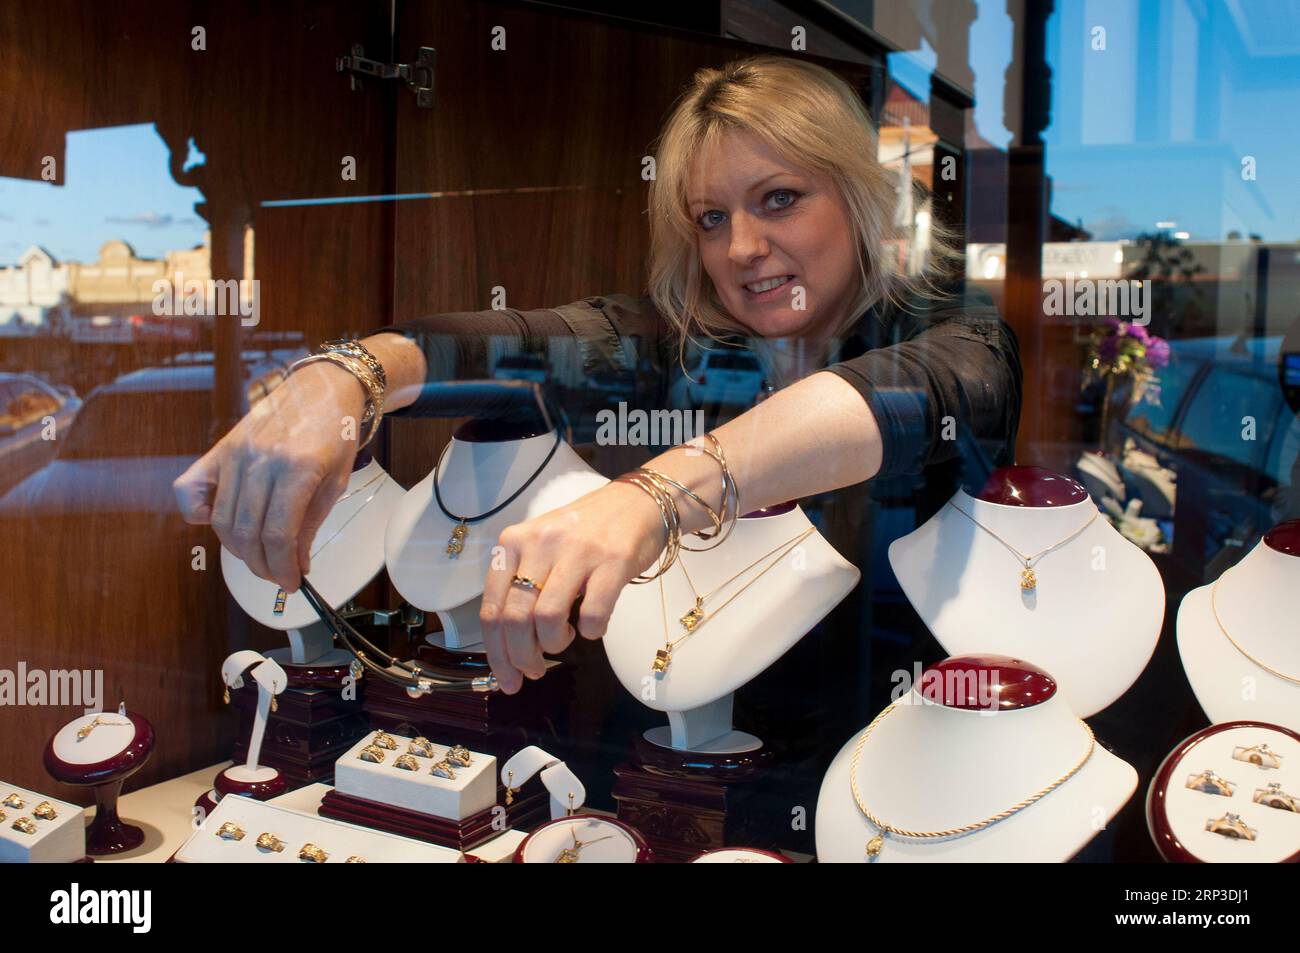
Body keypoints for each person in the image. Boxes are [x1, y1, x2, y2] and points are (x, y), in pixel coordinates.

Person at [174, 55, 1022, 696]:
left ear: (860, 198)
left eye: (779, 198)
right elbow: (518, 343)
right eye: (711, 218)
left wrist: (652, 494)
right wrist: (347, 376)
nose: (742, 249)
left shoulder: (960, 335)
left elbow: (902, 396)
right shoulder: (678, 345)